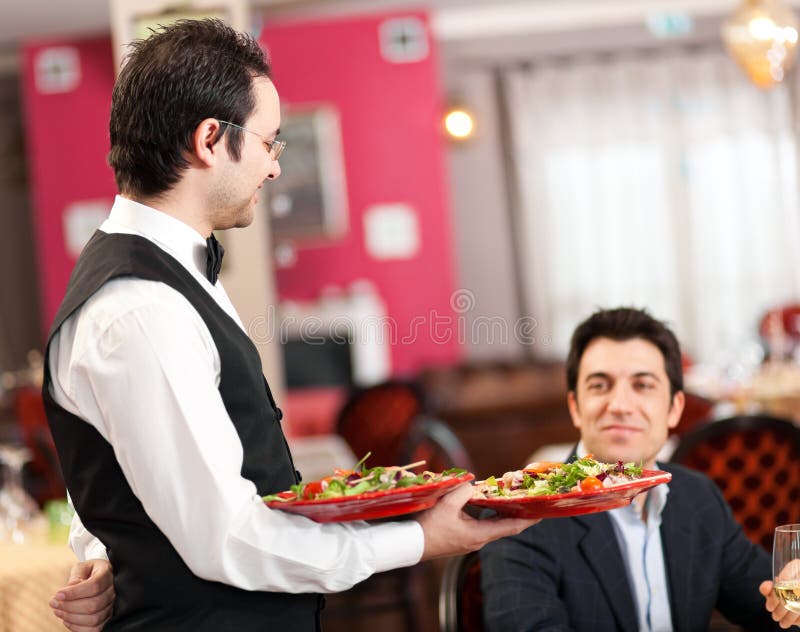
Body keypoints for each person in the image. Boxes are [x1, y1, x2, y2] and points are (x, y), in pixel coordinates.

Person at [42, 19, 535, 631]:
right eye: (270, 142)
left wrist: (99, 552)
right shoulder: (142, 308)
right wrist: (421, 540)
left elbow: (121, 463)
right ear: (211, 140)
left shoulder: (167, 275)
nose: (274, 168)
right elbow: (229, 537)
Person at [481, 307, 799, 631]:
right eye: (600, 385)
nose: (619, 405)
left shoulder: (698, 498)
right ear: (575, 407)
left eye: (643, 385)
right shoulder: (519, 517)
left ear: (674, 409)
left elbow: (770, 609)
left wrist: (791, 599)